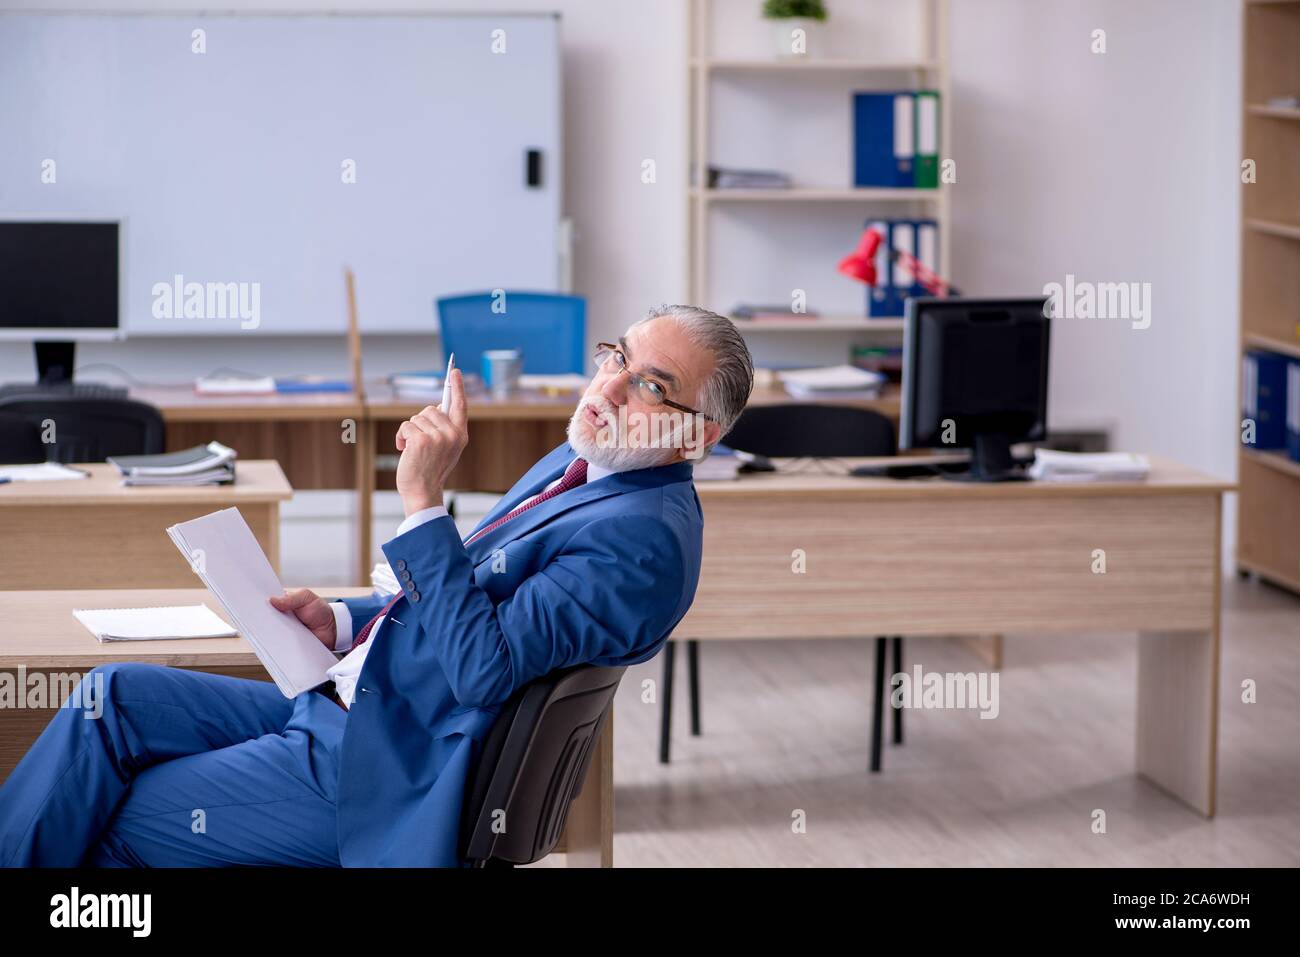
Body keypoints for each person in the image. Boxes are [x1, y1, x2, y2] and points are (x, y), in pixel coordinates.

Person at [0, 305, 754, 867]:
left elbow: (481, 667)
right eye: (615, 357)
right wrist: (339, 616)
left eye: (649, 384)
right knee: (110, 698)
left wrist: (424, 503)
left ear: (697, 435)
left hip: (381, 766)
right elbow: (465, 592)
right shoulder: (586, 463)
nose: (611, 386)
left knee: (114, 822)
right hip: (351, 700)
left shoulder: (642, 538)